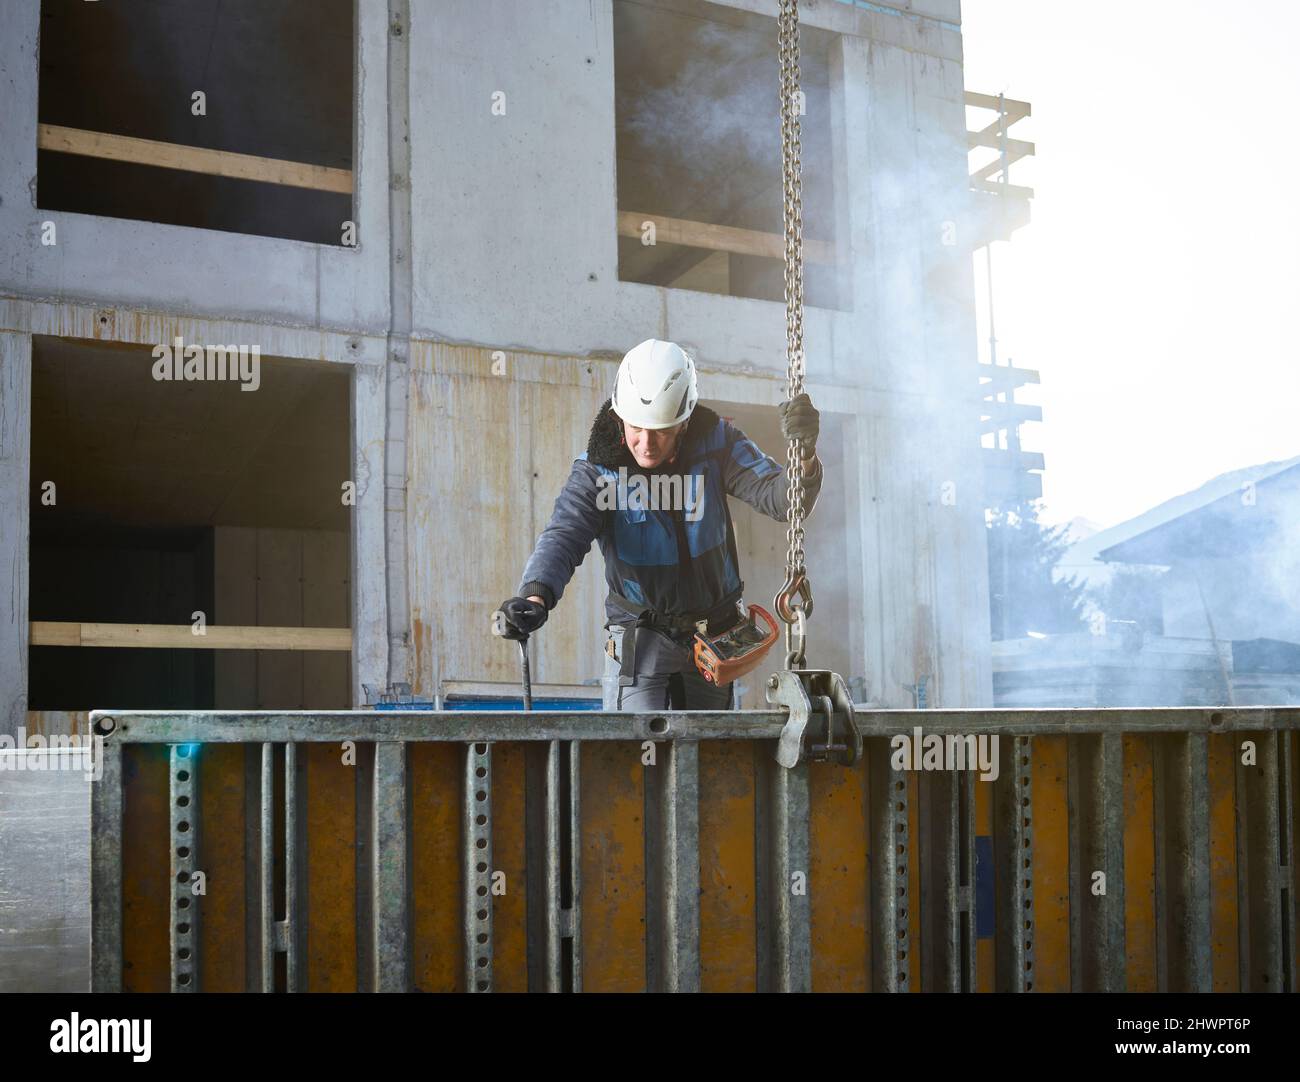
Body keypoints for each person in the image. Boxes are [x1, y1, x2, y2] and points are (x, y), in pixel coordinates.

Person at [497, 338, 822, 710]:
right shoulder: (597, 472)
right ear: (620, 416)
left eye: (662, 431)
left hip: (716, 638)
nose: (646, 443)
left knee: (712, 757)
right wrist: (535, 594)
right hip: (641, 640)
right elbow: (564, 535)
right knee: (636, 756)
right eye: (636, 427)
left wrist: (805, 456)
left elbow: (781, 500)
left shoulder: (717, 445)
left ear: (684, 423)